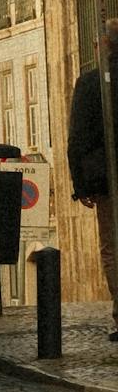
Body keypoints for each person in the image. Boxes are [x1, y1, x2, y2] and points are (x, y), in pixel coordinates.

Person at [67, 20, 118, 340]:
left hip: (106, 182)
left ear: (103, 46)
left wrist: (80, 185)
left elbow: (78, 138)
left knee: (112, 247)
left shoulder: (89, 84)